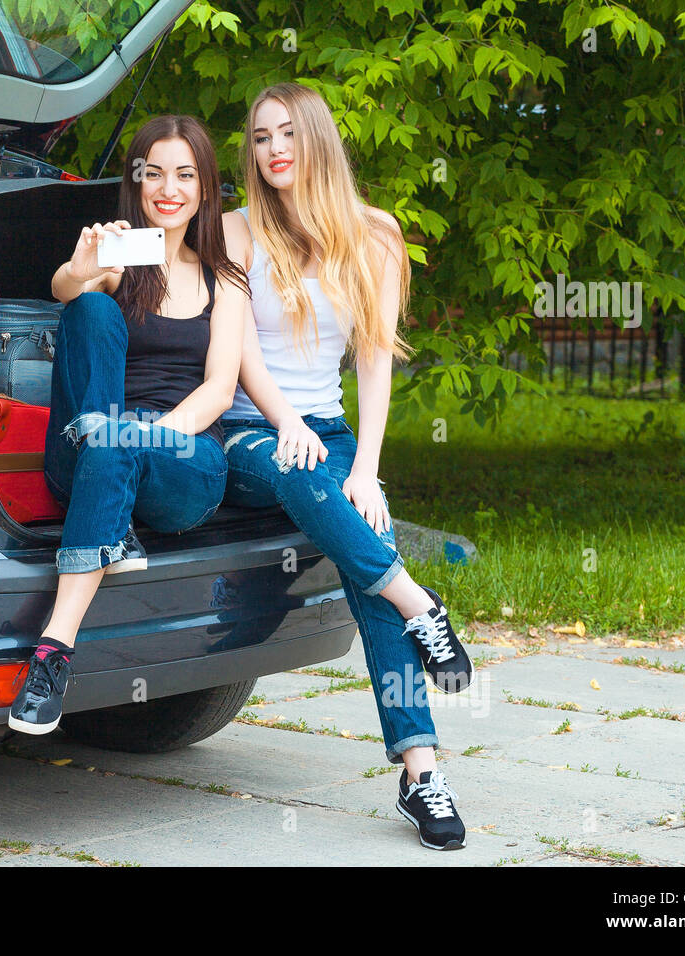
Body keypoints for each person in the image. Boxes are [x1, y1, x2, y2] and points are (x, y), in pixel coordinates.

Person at [220, 83, 473, 850]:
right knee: (310, 483)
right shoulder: (236, 232)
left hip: (330, 433)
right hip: (250, 431)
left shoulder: (377, 235)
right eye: (260, 138)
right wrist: (286, 421)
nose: (273, 150)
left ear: (318, 139)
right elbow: (237, 353)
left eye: (287, 133)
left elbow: (372, 363)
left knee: (363, 539)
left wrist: (365, 468)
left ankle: (420, 773)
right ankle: (420, 603)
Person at [7, 115, 250, 736]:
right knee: (90, 314)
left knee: (118, 438)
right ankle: (53, 652)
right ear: (137, 182)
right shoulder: (119, 262)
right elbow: (64, 291)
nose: (169, 188)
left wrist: (147, 436)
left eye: (186, 175)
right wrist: (84, 264)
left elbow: (220, 390)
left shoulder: (223, 277)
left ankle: (51, 651)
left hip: (183, 459)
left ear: (205, 188)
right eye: (155, 173)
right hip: (96, 449)